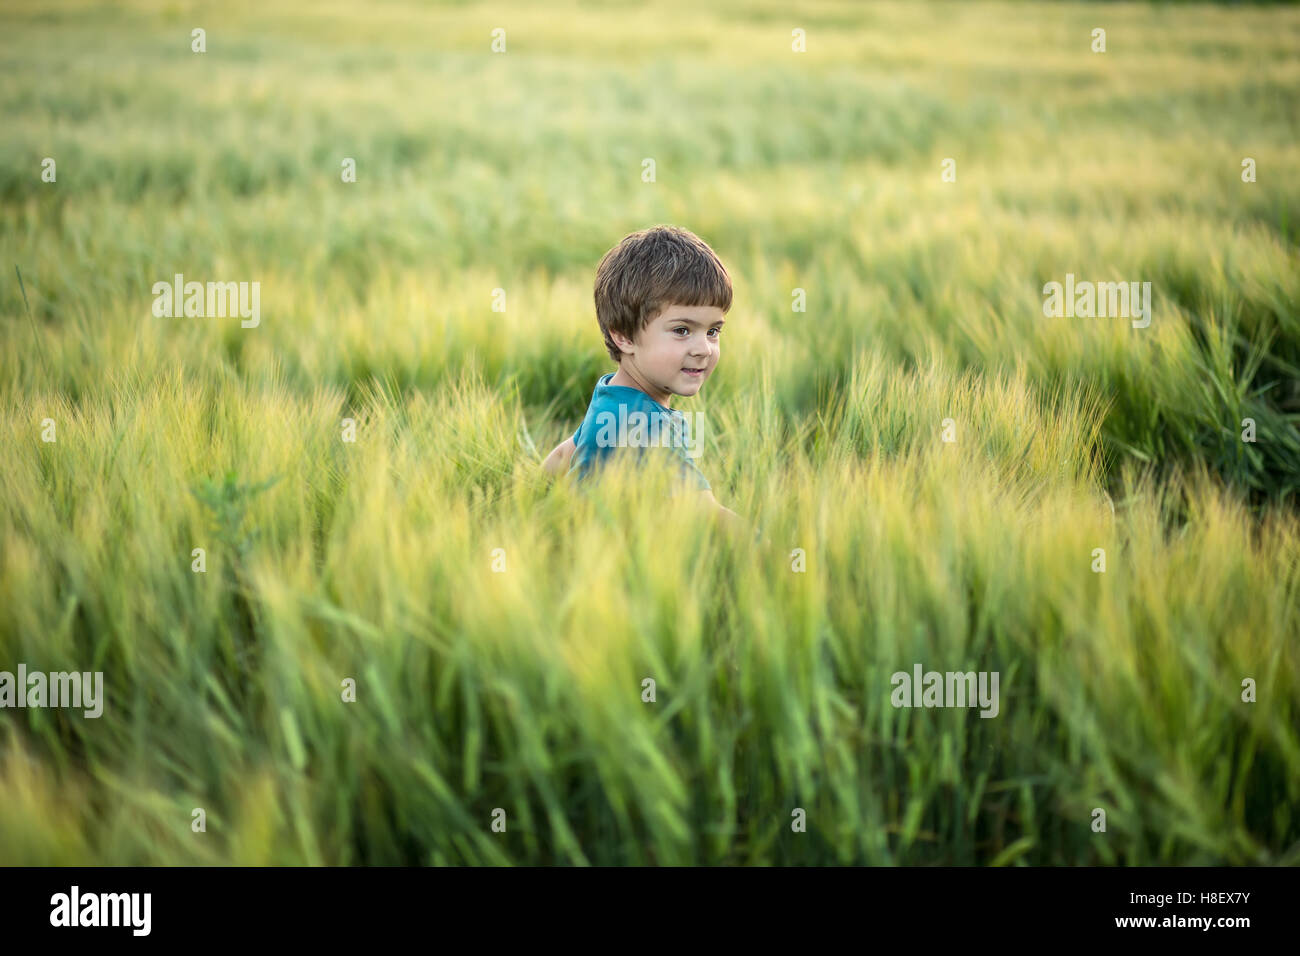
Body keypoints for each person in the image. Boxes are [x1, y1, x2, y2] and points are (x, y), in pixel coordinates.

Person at [542, 225, 743, 528]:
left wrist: (531, 513)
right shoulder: (647, 425)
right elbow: (706, 514)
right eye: (682, 330)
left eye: (713, 331)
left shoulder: (611, 397)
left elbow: (560, 458)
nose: (703, 348)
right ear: (624, 336)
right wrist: (769, 550)